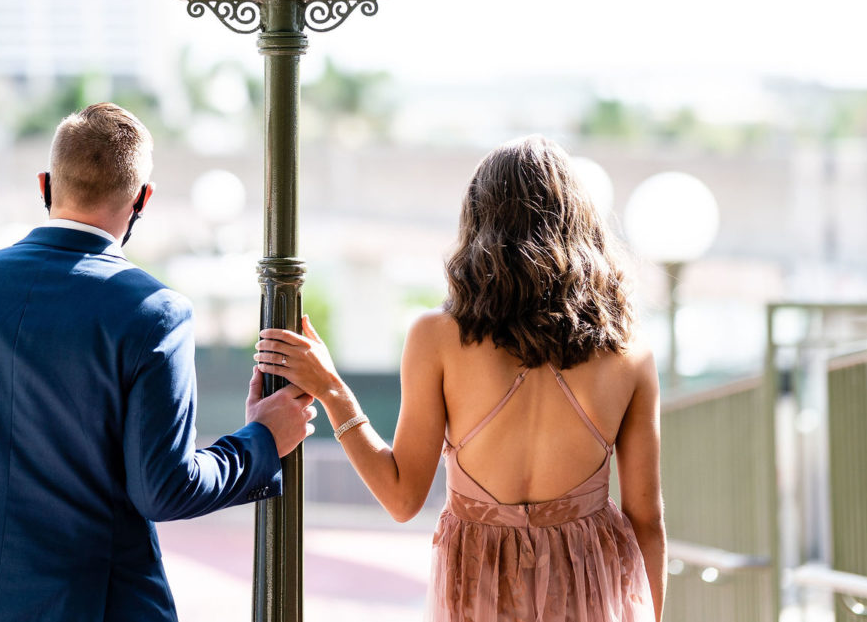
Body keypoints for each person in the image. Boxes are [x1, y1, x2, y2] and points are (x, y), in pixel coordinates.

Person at [0, 102, 317, 622]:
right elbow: (164, 487)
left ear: (45, 185)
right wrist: (261, 442)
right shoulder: (154, 311)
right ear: (142, 199)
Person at [255, 135, 665, 621]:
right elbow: (647, 521)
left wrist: (332, 391)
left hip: (480, 589)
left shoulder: (437, 337)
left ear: (479, 219)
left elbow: (403, 498)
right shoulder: (629, 350)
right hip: (591, 588)